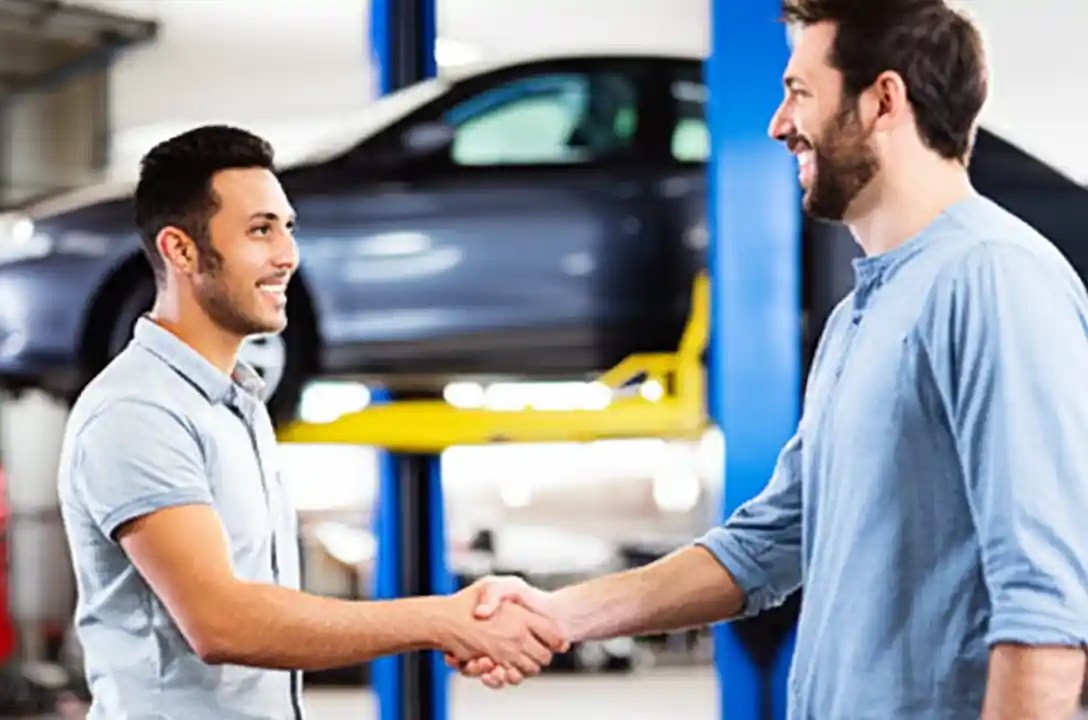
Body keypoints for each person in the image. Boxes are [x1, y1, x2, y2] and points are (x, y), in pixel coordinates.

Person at [457, 0, 1088, 717]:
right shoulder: (864, 313)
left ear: (883, 100)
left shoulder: (992, 278)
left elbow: (1046, 608)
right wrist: (560, 614)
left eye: (799, 93)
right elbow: (768, 543)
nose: (778, 125)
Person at [56, 125, 566, 720]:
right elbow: (221, 623)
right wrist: (442, 620)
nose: (287, 256)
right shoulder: (139, 412)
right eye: (260, 230)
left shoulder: (236, 403)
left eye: (287, 227)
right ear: (181, 250)